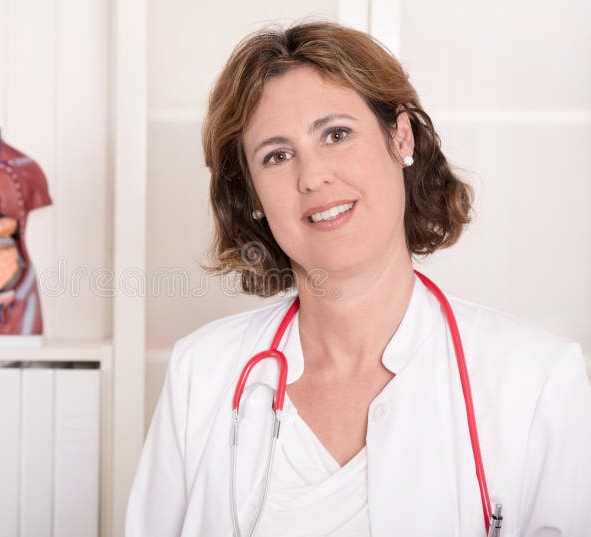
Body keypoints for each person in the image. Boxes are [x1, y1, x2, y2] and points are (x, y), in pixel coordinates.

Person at [125, 21, 591, 537]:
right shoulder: (202, 374)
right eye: (277, 156)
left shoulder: (536, 379)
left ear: (401, 137)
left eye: (337, 134)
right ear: (253, 196)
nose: (313, 176)